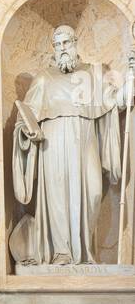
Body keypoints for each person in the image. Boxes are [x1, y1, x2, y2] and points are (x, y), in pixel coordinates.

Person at [10, 26, 135, 267]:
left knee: (93, 191)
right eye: (57, 45)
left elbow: (118, 101)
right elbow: (25, 118)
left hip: (84, 142)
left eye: (66, 42)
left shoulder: (91, 75)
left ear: (76, 43)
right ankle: (61, 253)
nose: (62, 49)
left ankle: (84, 252)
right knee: (57, 197)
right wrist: (27, 132)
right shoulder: (44, 79)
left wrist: (131, 74)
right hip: (52, 145)